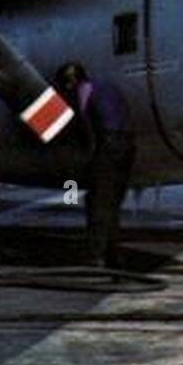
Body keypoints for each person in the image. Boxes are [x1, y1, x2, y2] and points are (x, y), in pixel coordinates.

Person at [55, 62, 135, 267]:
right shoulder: (107, 86)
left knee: (97, 203)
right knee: (112, 204)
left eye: (67, 86)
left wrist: (83, 160)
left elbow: (87, 127)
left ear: (72, 81)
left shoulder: (84, 91)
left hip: (109, 145)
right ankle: (114, 254)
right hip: (127, 147)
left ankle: (95, 256)